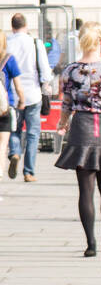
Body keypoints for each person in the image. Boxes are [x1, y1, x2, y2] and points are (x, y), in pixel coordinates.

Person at [53, 22, 101, 257]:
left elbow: (66, 103)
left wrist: (63, 123)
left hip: (81, 128)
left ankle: (90, 243)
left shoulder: (71, 70)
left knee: (85, 191)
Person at [7, 13, 52, 183]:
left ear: (12, 26)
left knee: (14, 129)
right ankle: (29, 172)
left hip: (12, 93)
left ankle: (15, 152)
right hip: (33, 93)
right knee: (33, 133)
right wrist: (46, 84)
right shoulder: (35, 43)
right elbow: (44, 69)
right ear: (26, 25)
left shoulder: (7, 43)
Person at [0, 32, 29, 178]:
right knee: (3, 145)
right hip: (5, 107)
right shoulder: (9, 59)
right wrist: (21, 101)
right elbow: (18, 85)